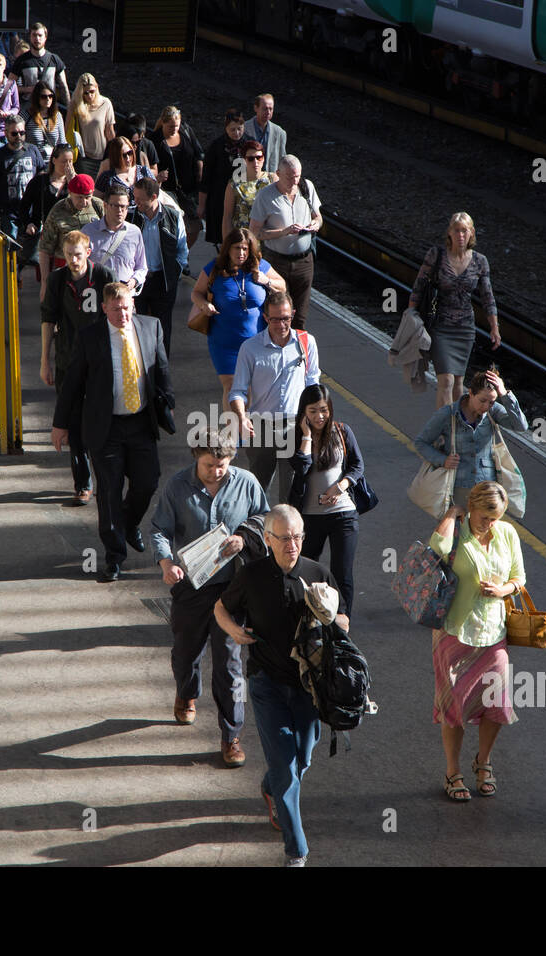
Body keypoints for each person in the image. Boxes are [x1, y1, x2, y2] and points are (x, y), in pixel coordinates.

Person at [215, 504, 349, 866]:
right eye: (285, 538)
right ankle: (296, 851)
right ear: (268, 539)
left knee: (302, 758)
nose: (293, 544)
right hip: (267, 683)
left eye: (298, 537)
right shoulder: (252, 575)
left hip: (309, 686)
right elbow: (221, 609)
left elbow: (344, 622)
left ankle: (269, 786)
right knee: (287, 770)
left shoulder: (318, 572)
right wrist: (235, 633)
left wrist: (330, 614)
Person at [151, 432, 269, 768]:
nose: (216, 471)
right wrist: (166, 563)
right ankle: (186, 692)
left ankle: (231, 735)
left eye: (222, 465)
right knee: (186, 652)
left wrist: (243, 538)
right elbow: (159, 528)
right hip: (191, 586)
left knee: (229, 664)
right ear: (195, 458)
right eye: (208, 465)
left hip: (233, 589)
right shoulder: (177, 487)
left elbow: (265, 517)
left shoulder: (246, 483)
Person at [51, 282, 173, 583]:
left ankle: (129, 523)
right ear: (104, 308)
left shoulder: (151, 327)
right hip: (106, 427)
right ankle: (114, 557)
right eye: (116, 309)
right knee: (108, 492)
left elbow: (162, 368)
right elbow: (73, 383)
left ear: (134, 304)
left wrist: (167, 400)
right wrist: (60, 423)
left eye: (127, 307)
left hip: (141, 421)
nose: (123, 314)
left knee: (148, 481)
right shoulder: (90, 336)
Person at [428, 482, 525, 801]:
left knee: (496, 703)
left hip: (493, 630)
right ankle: (452, 770)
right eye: (485, 517)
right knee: (454, 704)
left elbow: (519, 577)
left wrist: (504, 591)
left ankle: (483, 761)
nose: (490, 524)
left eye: (495, 517)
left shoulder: (507, 533)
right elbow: (435, 546)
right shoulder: (457, 532)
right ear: (472, 508)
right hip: (455, 630)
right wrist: (451, 514)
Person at [40, 230, 114, 505]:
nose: (73, 260)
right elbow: (48, 319)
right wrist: (44, 361)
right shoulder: (58, 280)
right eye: (68, 255)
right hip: (68, 360)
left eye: (78, 255)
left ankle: (107, 476)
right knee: (73, 423)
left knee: (102, 420)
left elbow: (118, 314)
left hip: (99, 362)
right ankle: (83, 482)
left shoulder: (104, 275)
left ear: (89, 252)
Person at [228, 291, 316, 500]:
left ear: (293, 314)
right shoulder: (250, 348)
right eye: (275, 319)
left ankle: (287, 532)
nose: (281, 324)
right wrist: (241, 418)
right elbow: (237, 390)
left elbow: (313, 382)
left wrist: (313, 421)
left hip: (296, 425)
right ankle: (258, 531)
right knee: (258, 490)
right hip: (261, 427)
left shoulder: (306, 342)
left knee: (293, 491)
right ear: (265, 317)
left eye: (285, 318)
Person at [409, 212, 502, 409]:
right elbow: (419, 286)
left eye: (464, 231)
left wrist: (494, 326)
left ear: (471, 233)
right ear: (449, 232)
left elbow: (487, 296)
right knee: (446, 381)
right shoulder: (437, 255)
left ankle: (458, 428)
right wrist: (410, 315)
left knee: (459, 383)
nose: (460, 235)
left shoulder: (480, 261)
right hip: (440, 326)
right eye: (456, 230)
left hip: (465, 329)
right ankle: (443, 430)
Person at [289, 384, 362, 616]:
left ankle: (343, 622)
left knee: (342, 573)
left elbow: (357, 465)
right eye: (313, 411)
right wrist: (307, 437)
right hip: (310, 516)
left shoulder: (342, 431)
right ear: (303, 412)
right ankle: (310, 617)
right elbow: (301, 467)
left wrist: (342, 485)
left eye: (324, 410)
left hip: (344, 514)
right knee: (307, 570)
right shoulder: (295, 436)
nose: (320, 416)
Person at [189, 227, 286, 400]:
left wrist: (266, 281)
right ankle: (233, 427)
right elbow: (196, 293)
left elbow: (282, 285)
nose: (241, 253)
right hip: (224, 343)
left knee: (253, 389)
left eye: (245, 249)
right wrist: (204, 305)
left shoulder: (260, 266)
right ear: (228, 249)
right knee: (232, 388)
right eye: (237, 248)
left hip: (257, 341)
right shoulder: (214, 268)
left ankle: (246, 425)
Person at [412, 365, 528, 506]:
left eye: (491, 402)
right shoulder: (448, 414)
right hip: (456, 486)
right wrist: (442, 460)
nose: (486, 407)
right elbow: (421, 442)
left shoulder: (494, 411)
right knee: (456, 526)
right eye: (482, 400)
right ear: (471, 393)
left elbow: (521, 426)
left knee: (483, 526)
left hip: (486, 486)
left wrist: (505, 394)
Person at [249, 155, 321, 330]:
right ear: (278, 174)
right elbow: (254, 232)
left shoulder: (306, 187)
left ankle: (297, 354)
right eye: (289, 177)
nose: (294, 181)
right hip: (276, 262)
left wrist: (315, 225)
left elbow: (318, 217)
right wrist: (284, 232)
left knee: (300, 316)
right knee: (280, 314)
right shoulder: (265, 196)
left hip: (304, 261)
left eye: (297, 176)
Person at [131, 177, 188, 358]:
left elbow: (182, 250)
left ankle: (162, 369)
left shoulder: (173, 216)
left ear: (154, 197)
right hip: (137, 281)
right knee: (137, 326)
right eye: (134, 197)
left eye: (140, 199)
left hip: (163, 281)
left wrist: (174, 274)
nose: (135, 202)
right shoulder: (131, 216)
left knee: (163, 329)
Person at [37, 174, 104, 297]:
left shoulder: (98, 206)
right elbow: (45, 250)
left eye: (88, 197)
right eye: (79, 197)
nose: (84, 202)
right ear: (70, 192)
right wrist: (45, 283)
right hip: (66, 270)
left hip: (92, 272)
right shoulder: (58, 211)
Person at [148, 106, 204, 248]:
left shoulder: (185, 131)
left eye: (176, 126)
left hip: (188, 189)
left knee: (195, 226)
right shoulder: (155, 140)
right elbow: (148, 166)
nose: (174, 129)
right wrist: (157, 176)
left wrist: (199, 172)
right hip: (168, 190)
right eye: (170, 126)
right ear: (163, 123)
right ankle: (174, 256)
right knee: (173, 226)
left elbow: (198, 153)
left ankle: (183, 253)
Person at [0, 114, 45, 243]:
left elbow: (42, 179)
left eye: (22, 133)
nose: (19, 137)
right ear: (6, 133)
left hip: (31, 211)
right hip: (9, 212)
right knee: (10, 251)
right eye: (14, 133)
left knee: (32, 253)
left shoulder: (33, 150)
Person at [80, 185, 146, 297]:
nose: (120, 211)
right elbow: (79, 265)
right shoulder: (88, 231)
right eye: (115, 206)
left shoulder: (135, 232)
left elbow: (142, 267)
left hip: (125, 297)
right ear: (105, 205)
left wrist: (134, 281)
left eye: (123, 206)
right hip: (97, 296)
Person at [21, 142, 75, 274]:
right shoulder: (40, 181)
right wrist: (28, 224)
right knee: (45, 277)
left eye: (70, 161)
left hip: (66, 236)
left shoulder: (75, 183)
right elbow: (23, 206)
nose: (67, 165)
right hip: (44, 235)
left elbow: (81, 205)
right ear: (54, 160)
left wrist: (72, 181)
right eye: (64, 161)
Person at [199, 109, 247, 246]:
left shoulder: (248, 144)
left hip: (243, 197)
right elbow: (206, 177)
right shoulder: (216, 146)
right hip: (219, 197)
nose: (236, 133)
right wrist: (201, 205)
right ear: (226, 128)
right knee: (223, 235)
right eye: (232, 129)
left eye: (239, 129)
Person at [222, 140, 276, 237]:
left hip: (269, 239)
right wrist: (227, 244)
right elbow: (227, 217)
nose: (255, 162)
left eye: (259, 157)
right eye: (250, 159)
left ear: (263, 158)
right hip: (244, 241)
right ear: (244, 160)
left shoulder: (272, 179)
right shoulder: (234, 184)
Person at [66, 73, 115, 177]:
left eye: (92, 91)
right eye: (85, 93)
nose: (89, 95)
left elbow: (110, 131)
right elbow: (67, 129)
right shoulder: (75, 104)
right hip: (84, 157)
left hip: (103, 156)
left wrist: (115, 152)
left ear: (96, 88)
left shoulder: (106, 103)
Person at [9, 22, 68, 109]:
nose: (37, 38)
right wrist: (28, 89)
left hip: (49, 108)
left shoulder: (54, 59)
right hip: (28, 109)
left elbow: (63, 86)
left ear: (45, 37)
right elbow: (9, 86)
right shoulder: (21, 61)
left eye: (40, 35)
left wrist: (69, 107)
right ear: (30, 37)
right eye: (34, 35)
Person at [94, 137, 154, 201]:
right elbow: (95, 201)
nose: (128, 158)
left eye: (130, 153)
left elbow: (155, 193)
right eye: (123, 155)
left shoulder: (144, 171)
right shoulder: (106, 177)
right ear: (116, 156)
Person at [243, 93, 286, 174]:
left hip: (270, 180)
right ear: (256, 108)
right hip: (247, 178)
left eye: (271, 109)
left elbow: (282, 159)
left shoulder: (279, 133)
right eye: (265, 109)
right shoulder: (243, 129)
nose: (268, 112)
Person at [23, 81, 63, 161]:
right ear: (37, 98)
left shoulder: (57, 115)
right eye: (44, 97)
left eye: (50, 96)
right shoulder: (26, 115)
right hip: (32, 161)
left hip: (52, 163)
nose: (48, 99)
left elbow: (61, 141)